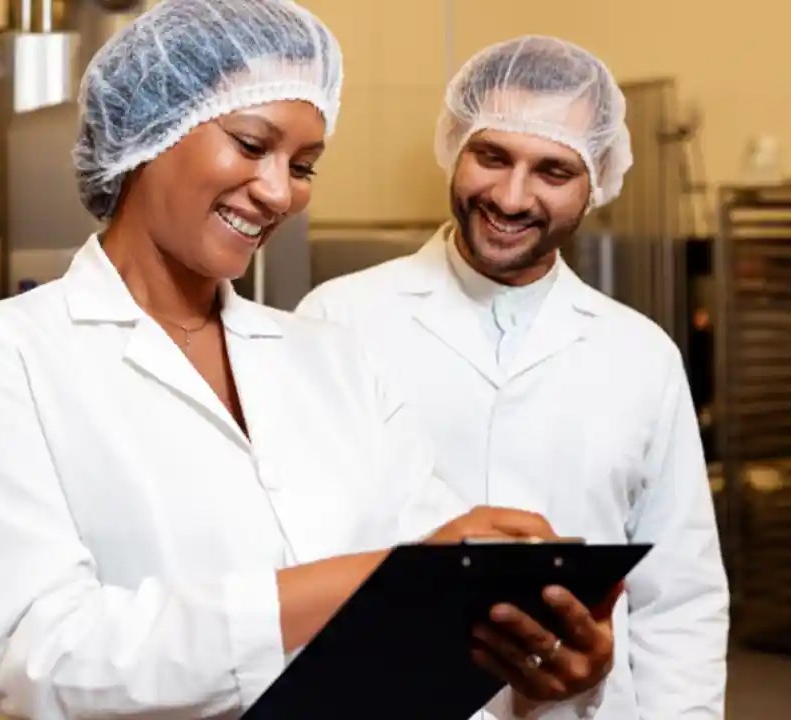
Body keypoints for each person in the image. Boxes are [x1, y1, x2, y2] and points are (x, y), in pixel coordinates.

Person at [0, 3, 607, 718]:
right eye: (252, 145)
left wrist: (535, 668)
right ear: (153, 126)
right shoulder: (15, 352)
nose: (281, 192)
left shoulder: (332, 358)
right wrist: (371, 579)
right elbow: (41, 666)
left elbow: (435, 616)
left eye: (304, 165)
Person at [296, 36, 731, 719]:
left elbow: (679, 597)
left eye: (553, 171)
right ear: (454, 147)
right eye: (492, 157)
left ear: (596, 182)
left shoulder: (641, 355)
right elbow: (299, 550)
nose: (510, 196)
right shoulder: (337, 321)